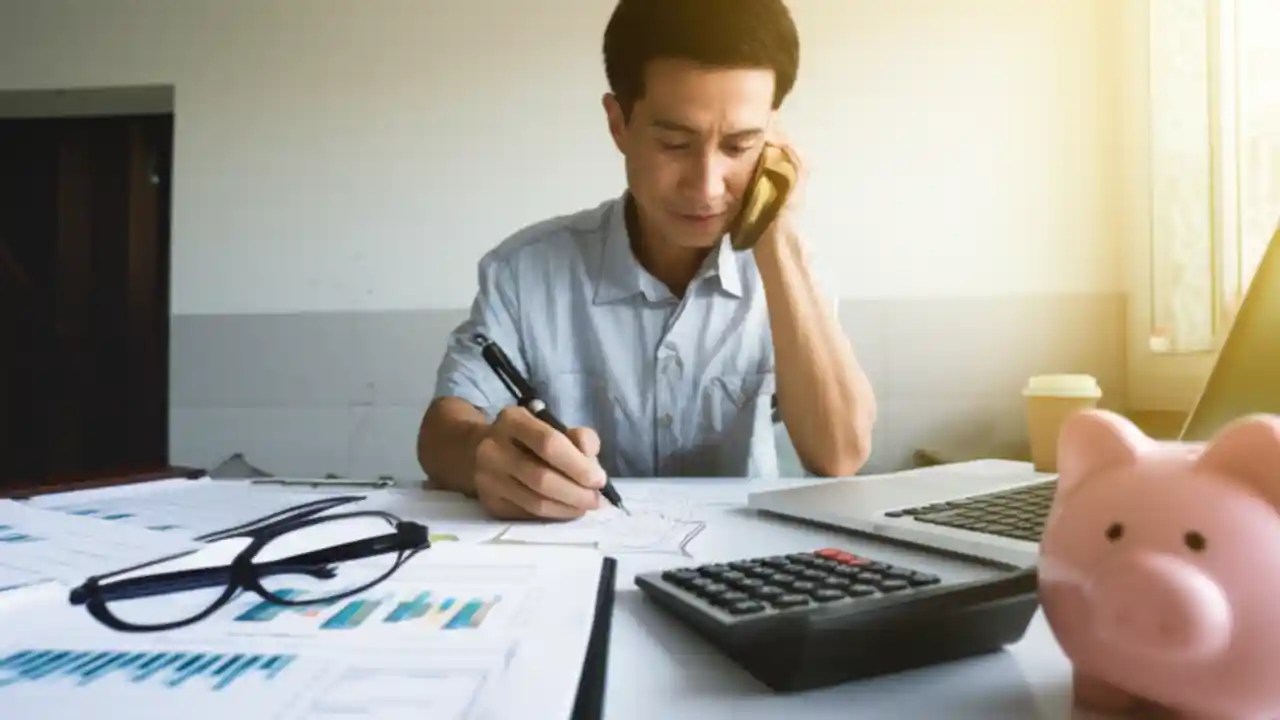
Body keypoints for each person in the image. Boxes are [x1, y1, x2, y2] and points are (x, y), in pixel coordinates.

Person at [417, 0, 877, 520]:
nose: (705, 186)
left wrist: (778, 236)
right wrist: (486, 457)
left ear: (772, 140)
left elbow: (840, 454)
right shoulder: (525, 271)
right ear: (619, 124)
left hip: (742, 577)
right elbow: (441, 431)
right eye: (675, 143)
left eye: (740, 145)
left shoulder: (790, 272)